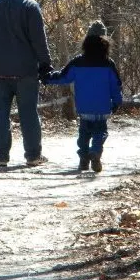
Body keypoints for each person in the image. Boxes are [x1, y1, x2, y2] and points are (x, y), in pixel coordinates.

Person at [0, 0, 53, 167]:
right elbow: (39, 40)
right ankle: (32, 155)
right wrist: (46, 64)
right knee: (29, 113)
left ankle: (1, 156)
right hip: (25, 72)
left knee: (1, 115)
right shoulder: (31, 7)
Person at [42, 20, 122, 172]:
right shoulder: (108, 64)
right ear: (105, 43)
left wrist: (46, 77)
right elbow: (116, 85)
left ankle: (84, 160)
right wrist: (117, 102)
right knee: (100, 132)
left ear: (86, 41)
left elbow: (62, 77)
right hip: (102, 108)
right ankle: (96, 152)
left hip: (84, 108)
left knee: (84, 135)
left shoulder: (78, 62)